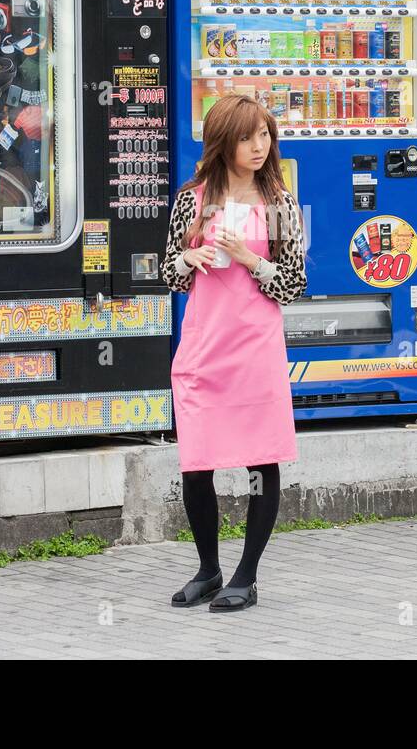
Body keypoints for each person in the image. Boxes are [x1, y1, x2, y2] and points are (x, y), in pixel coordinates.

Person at [161, 94, 307, 612]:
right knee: (196, 462)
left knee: (258, 461)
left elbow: (293, 285)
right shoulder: (192, 199)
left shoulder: (280, 204)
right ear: (223, 142)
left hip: (255, 347)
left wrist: (249, 258)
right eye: (247, 138)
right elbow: (169, 275)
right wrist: (187, 256)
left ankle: (246, 575)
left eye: (264, 135)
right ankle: (208, 568)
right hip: (204, 345)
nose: (259, 147)